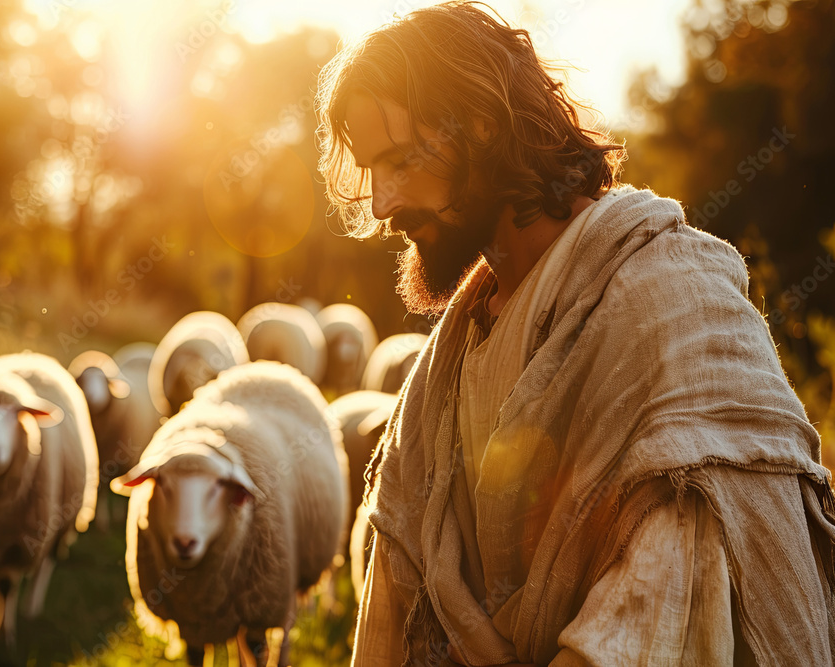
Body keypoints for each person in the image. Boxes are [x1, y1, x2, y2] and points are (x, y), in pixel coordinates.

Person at [314, 2, 835, 665]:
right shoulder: (447, 362)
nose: (383, 204)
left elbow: (666, 600)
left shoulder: (673, 302)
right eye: (371, 172)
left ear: (477, 126)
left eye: (397, 162)